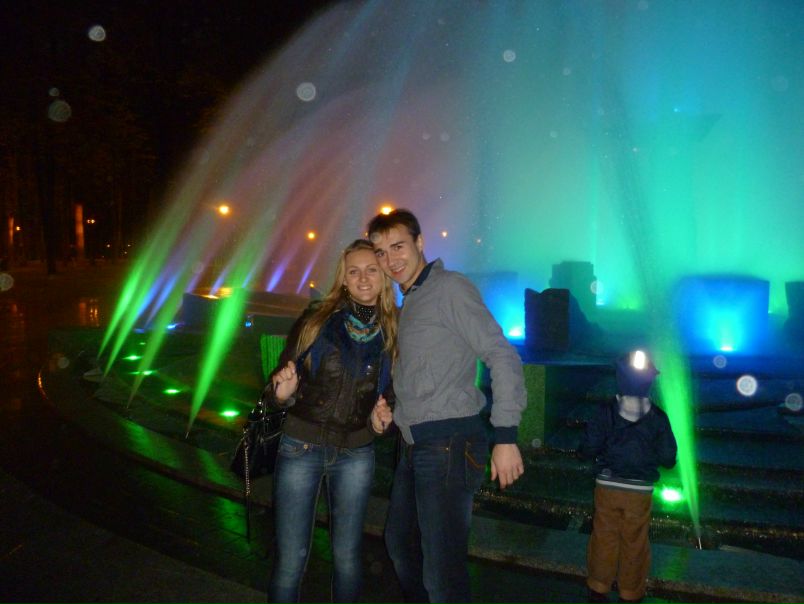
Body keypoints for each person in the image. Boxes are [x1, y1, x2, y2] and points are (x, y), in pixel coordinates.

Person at [367, 209, 527, 604]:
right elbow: (423, 373)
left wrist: (506, 435)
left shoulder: (449, 288)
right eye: (381, 252)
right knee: (401, 544)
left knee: (441, 570)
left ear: (420, 243)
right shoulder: (412, 300)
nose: (390, 260)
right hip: (416, 444)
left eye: (398, 246)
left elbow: (501, 354)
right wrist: (389, 407)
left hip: (448, 443)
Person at [264, 239, 397, 604]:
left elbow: (392, 397)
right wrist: (281, 393)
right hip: (300, 447)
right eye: (354, 271)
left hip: (356, 453)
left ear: (384, 277)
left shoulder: (394, 332)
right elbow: (280, 381)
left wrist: (382, 422)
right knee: (291, 561)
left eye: (371, 270)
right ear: (344, 279)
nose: (363, 278)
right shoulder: (318, 320)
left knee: (348, 558)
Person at [578, 350, 678, 604]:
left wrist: (586, 454)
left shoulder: (605, 411)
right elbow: (668, 457)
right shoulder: (658, 417)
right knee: (635, 540)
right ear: (649, 382)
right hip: (640, 491)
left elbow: (589, 446)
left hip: (607, 486)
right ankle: (630, 592)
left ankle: (599, 587)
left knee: (604, 536)